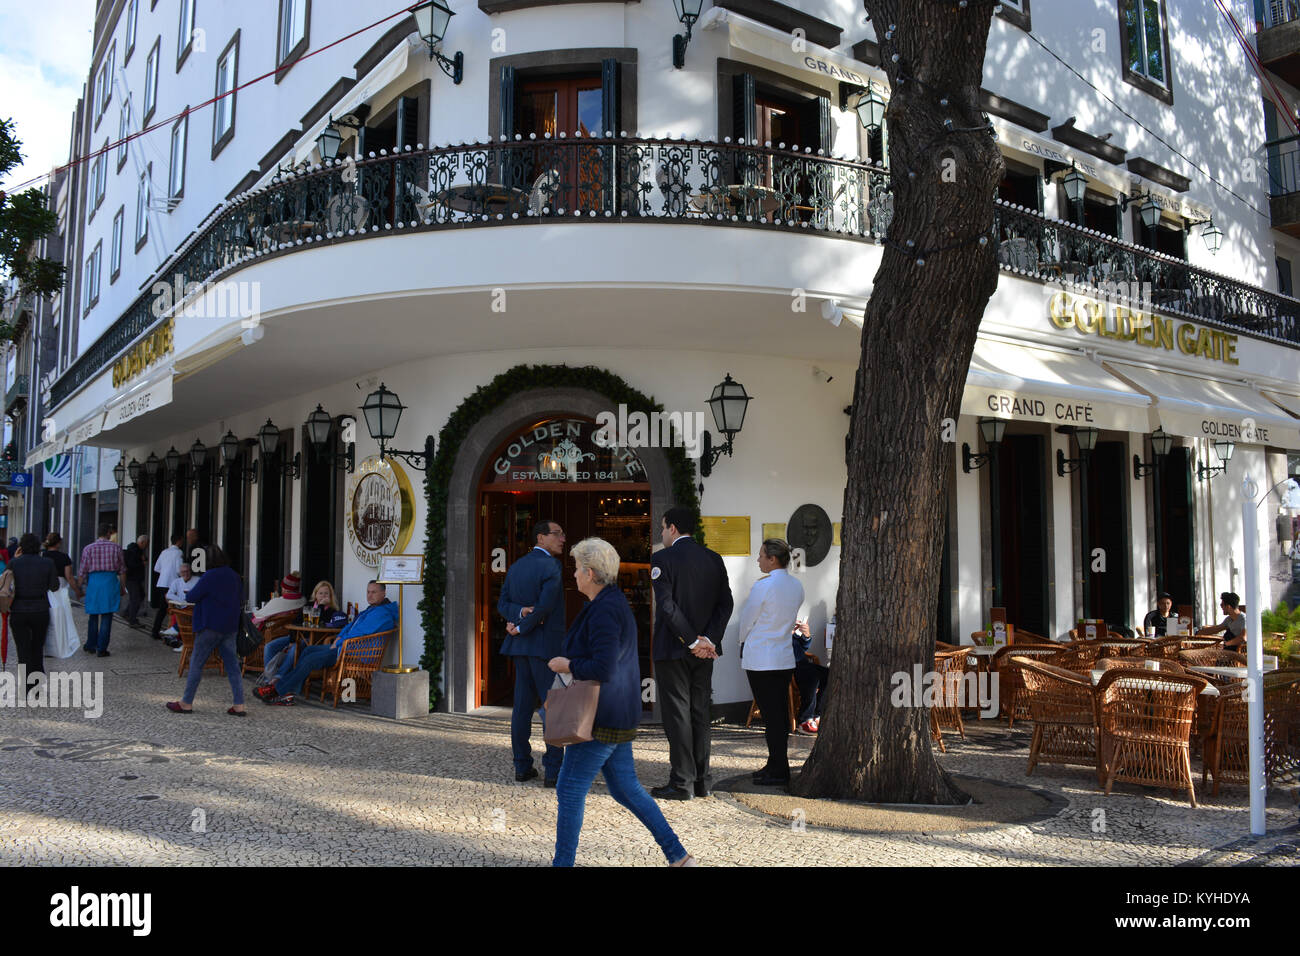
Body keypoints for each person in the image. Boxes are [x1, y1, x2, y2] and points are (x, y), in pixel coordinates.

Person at [547, 537, 694, 867]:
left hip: (601, 715)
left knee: (569, 789)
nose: (572, 575)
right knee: (626, 789)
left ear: (590, 572)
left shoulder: (605, 609)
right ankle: (679, 856)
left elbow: (604, 666)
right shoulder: (608, 603)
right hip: (616, 713)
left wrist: (567, 665)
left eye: (575, 569)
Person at [650, 506, 733, 801]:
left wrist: (691, 641)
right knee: (700, 712)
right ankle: (702, 781)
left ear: (672, 528)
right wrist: (707, 640)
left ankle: (682, 782)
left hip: (674, 649)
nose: (661, 534)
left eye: (662, 528)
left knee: (678, 715)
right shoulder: (713, 558)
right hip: (704, 652)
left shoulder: (662, 559)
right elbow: (726, 604)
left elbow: (667, 606)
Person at [497, 519, 567, 785]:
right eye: (557, 534)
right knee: (552, 708)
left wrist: (517, 619)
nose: (562, 539)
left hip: (520, 647)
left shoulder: (516, 566)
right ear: (540, 538)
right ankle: (553, 771)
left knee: (522, 709)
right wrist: (523, 624)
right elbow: (545, 606)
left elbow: (504, 604)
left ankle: (522, 766)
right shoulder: (551, 566)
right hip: (544, 648)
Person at [255, 580, 398, 706]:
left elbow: (360, 632)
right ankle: (291, 689)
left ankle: (277, 690)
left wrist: (341, 641)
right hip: (345, 647)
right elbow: (350, 626)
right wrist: (338, 638)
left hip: (355, 653)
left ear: (383, 593)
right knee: (308, 650)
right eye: (368, 592)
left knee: (310, 659)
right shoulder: (371, 610)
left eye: (374, 592)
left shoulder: (382, 613)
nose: (370, 595)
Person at [737, 539, 805, 785]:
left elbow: (748, 619)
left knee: (771, 716)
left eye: (761, 556)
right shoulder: (796, 586)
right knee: (778, 715)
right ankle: (776, 763)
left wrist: (741, 641)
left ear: (772, 559)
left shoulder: (764, 586)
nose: (758, 560)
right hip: (784, 657)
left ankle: (779, 769)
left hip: (761, 658)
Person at [167, 545, 246, 715]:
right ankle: (239, 705)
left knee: (196, 663)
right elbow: (240, 598)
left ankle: (186, 702)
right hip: (230, 626)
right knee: (233, 666)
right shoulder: (234, 575)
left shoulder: (210, 575)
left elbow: (191, 596)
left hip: (210, 625)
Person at [261, 581, 340, 680]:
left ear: (330, 596)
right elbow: (295, 622)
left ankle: (278, 678)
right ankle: (268, 679)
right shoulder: (308, 606)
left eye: (326, 593)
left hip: (314, 640)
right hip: (298, 636)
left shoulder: (332, 611)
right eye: (320, 593)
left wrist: (321, 606)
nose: (323, 596)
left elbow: (320, 623)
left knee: (295, 648)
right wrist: (292, 640)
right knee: (270, 646)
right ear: (315, 594)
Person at [9, 533, 59, 685]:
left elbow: (6, 585)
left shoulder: (14, 563)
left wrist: (16, 559)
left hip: (18, 610)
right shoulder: (47, 563)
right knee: (37, 647)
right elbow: (54, 586)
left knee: (22, 649)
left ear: (21, 547)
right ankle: (37, 682)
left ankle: (26, 684)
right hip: (40, 609)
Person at [78, 523, 127, 656]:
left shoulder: (88, 548)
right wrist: (123, 587)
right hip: (110, 582)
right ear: (109, 533)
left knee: (93, 615)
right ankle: (102, 648)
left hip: (94, 583)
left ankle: (91, 644)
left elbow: (82, 571)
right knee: (107, 615)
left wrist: (79, 588)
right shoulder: (116, 548)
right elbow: (122, 570)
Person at [41, 532, 82, 659]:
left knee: (47, 618)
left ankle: (46, 647)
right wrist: (77, 591)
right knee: (61, 618)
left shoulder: (42, 555)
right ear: (59, 543)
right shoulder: (64, 557)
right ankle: (60, 645)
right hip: (60, 588)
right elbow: (69, 576)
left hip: (45, 588)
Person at [792, 620, 829, 735]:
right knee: (812, 676)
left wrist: (806, 635)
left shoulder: (788, 628)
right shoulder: (772, 629)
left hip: (803, 664)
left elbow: (803, 648)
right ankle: (804, 719)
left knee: (829, 674)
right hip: (788, 666)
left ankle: (817, 714)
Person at [150, 533, 185, 640]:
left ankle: (155, 631)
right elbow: (180, 570)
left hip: (162, 583)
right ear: (179, 541)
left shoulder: (164, 552)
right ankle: (173, 632)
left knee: (163, 608)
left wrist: (165, 572)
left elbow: (157, 568)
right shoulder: (179, 552)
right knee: (175, 608)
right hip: (172, 583)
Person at [122, 534, 149, 626]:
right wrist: (142, 563)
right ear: (142, 542)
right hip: (132, 579)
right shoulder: (135, 551)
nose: (147, 546)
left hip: (133, 579)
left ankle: (127, 613)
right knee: (136, 599)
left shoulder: (137, 550)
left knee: (140, 595)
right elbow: (133, 565)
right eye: (147, 543)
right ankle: (132, 620)